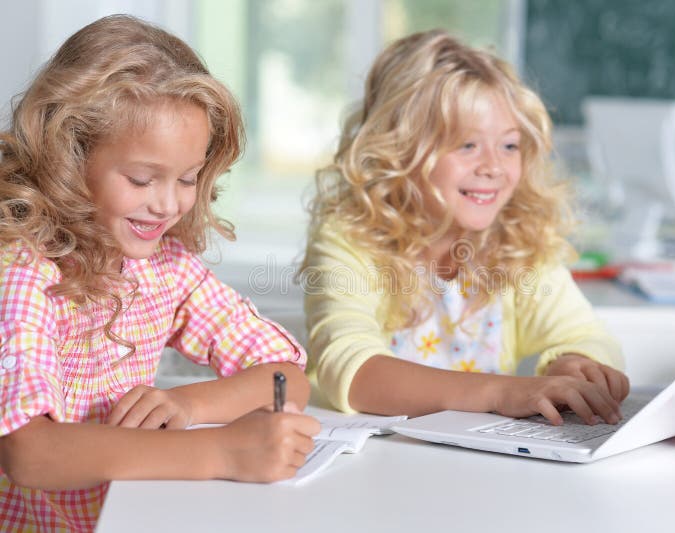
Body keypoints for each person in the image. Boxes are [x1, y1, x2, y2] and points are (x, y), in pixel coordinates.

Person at [0, 15, 319, 531]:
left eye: (188, 179)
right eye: (142, 179)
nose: (168, 205)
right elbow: (29, 452)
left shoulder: (166, 269)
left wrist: (185, 404)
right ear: (69, 155)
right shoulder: (22, 271)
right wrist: (220, 452)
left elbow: (287, 377)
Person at [300, 30, 630, 424]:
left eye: (509, 146)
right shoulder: (349, 236)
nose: (493, 166)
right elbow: (350, 369)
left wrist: (578, 364)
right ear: (400, 150)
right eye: (467, 145)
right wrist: (502, 392)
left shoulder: (518, 238)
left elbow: (586, 334)